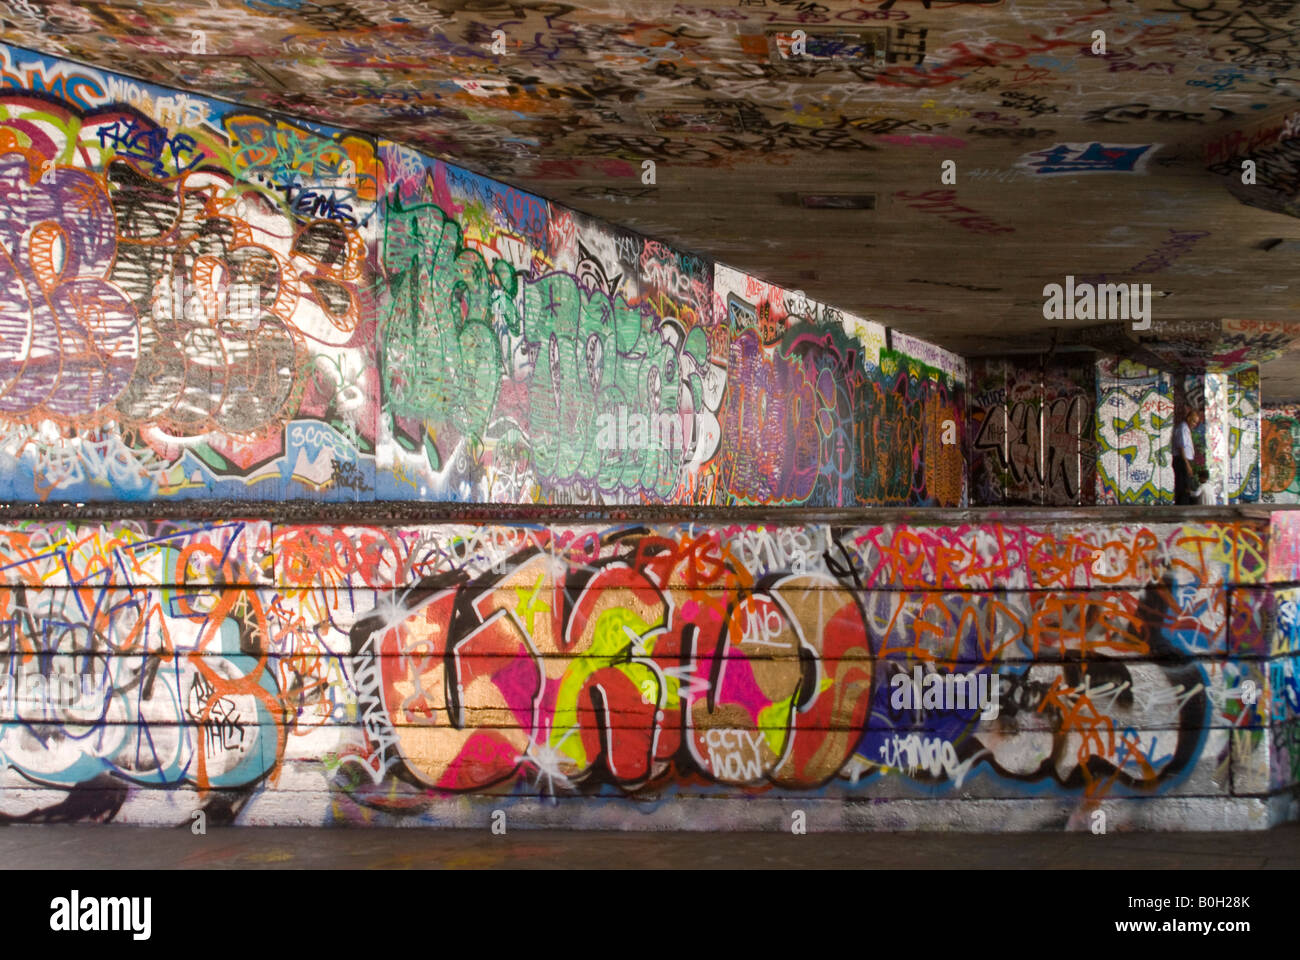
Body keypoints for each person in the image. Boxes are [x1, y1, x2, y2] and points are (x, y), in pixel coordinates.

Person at [1173, 408, 1201, 505]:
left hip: (1185, 460)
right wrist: (1187, 464)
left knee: (1185, 484)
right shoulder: (1183, 428)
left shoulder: (1186, 429)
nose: (1194, 424)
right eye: (1193, 421)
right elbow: (1181, 448)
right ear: (1188, 418)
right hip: (1182, 460)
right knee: (1183, 485)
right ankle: (1182, 506)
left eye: (1196, 422)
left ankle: (1184, 504)